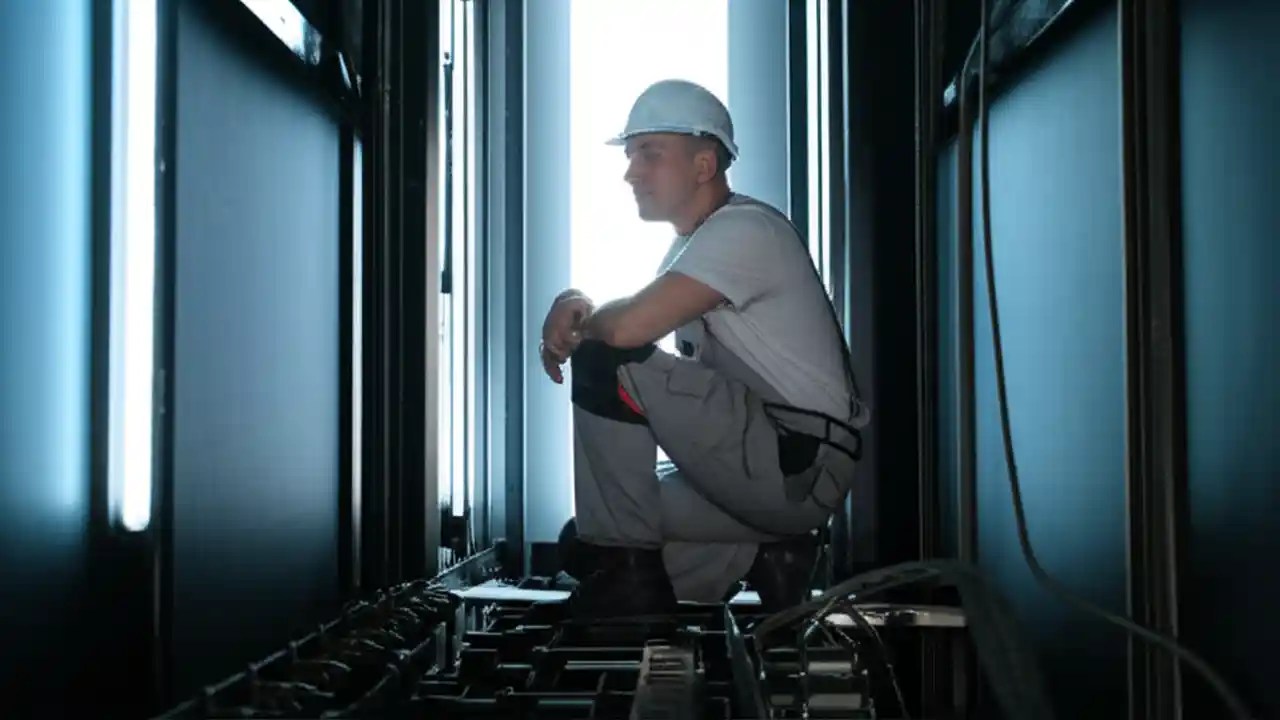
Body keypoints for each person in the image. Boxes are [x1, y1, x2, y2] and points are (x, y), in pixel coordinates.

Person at [540, 79, 869, 619]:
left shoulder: (744, 229)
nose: (630, 172)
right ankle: (768, 554)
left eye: (649, 153)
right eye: (630, 156)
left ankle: (634, 586)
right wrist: (582, 306)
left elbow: (623, 335)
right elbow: (631, 323)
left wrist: (579, 312)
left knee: (603, 358)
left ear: (703, 165)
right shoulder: (694, 248)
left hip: (798, 463)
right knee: (584, 542)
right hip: (777, 472)